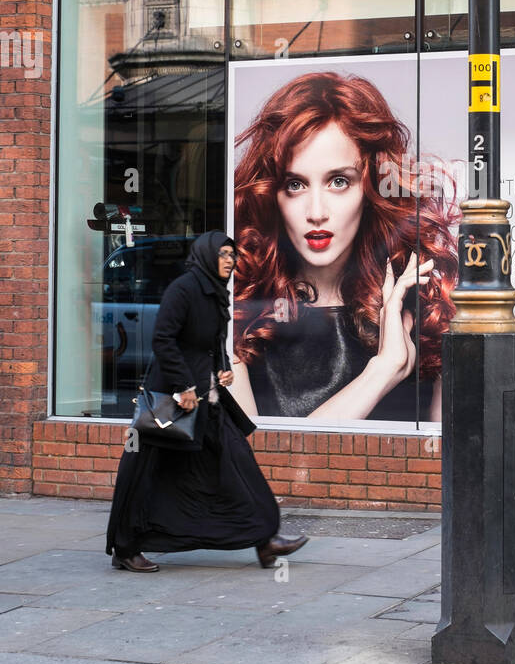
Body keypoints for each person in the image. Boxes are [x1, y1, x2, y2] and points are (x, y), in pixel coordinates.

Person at [231, 70, 460, 423]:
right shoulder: (239, 320)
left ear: (370, 190)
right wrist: (381, 372)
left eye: (339, 181)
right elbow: (259, 470)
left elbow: (442, 474)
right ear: (272, 196)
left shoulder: (427, 315)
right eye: (295, 185)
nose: (317, 212)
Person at [105, 230, 308, 573]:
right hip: (172, 405)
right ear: (206, 255)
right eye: (225, 254)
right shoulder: (184, 289)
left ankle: (265, 540)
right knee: (145, 473)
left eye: (233, 255)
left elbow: (212, 343)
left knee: (238, 460)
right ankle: (125, 548)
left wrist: (223, 368)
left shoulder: (215, 293)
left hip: (206, 398)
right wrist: (183, 385)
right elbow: (163, 340)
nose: (231, 260)